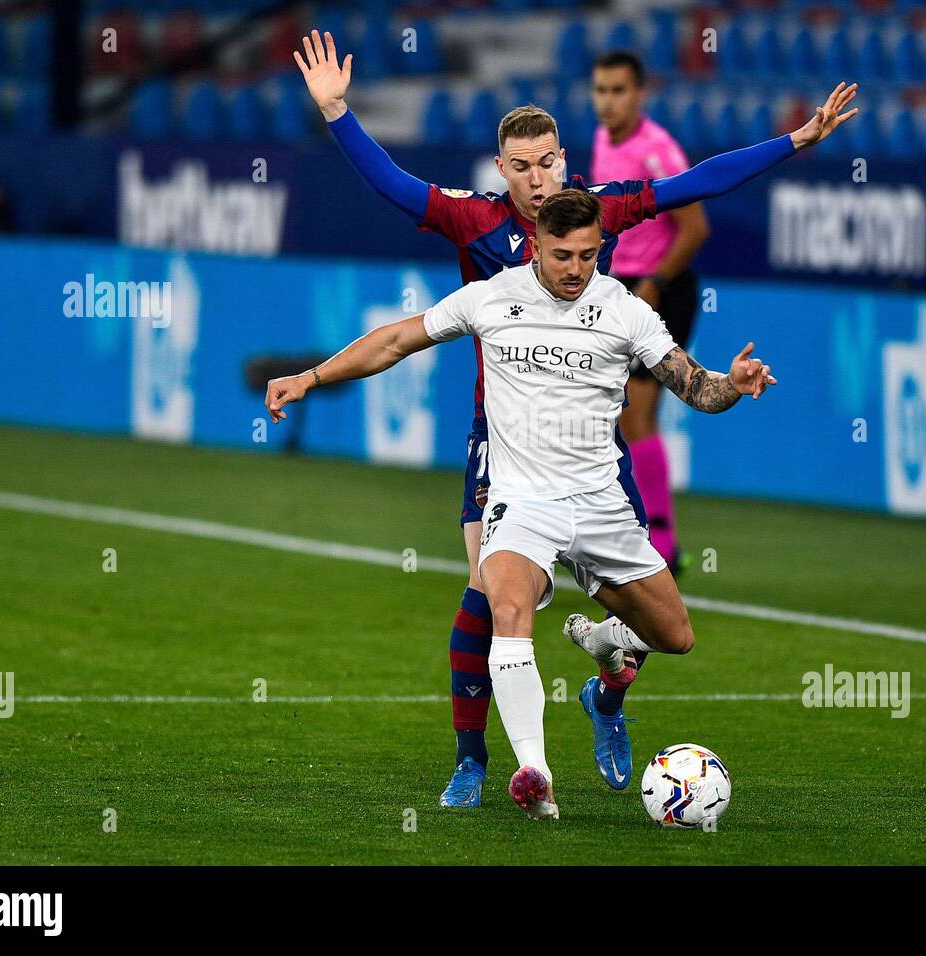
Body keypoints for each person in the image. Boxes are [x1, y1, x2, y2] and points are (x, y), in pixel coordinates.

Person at [293, 28, 858, 806]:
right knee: (488, 599)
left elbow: (695, 184)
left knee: (660, 622)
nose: (534, 178)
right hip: (505, 447)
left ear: (564, 159)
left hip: (595, 446)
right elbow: (392, 192)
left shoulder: (599, 219)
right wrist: (338, 114)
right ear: (503, 171)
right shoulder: (476, 227)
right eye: (520, 166)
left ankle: (607, 693)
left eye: (546, 162)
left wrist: (796, 140)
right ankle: (479, 762)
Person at [264, 190, 777, 819]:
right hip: (521, 502)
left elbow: (692, 385)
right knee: (505, 607)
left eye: (589, 255)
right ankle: (534, 773)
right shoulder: (493, 296)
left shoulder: (623, 308)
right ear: (535, 244)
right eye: (563, 255)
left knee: (675, 637)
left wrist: (733, 384)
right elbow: (395, 340)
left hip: (600, 505)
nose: (576, 269)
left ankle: (605, 672)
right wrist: (310, 377)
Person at [590, 49, 707, 578]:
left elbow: (695, 228)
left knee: (637, 412)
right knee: (613, 415)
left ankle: (661, 539)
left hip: (662, 289)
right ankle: (633, 531)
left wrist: (654, 284)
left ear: (640, 94)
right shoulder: (598, 142)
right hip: (619, 290)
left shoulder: (658, 150)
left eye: (618, 91)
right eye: (601, 90)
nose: (608, 101)